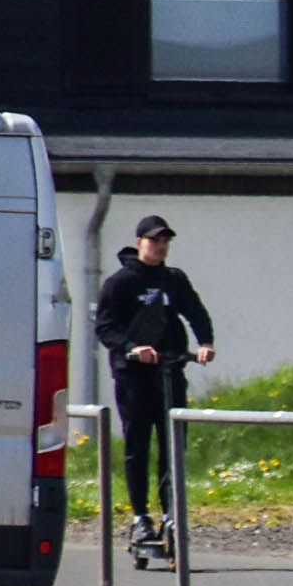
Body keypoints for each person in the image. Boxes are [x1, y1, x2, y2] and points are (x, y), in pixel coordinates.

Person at [94, 215, 216, 543]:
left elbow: (195, 312)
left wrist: (205, 343)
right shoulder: (120, 283)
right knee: (137, 445)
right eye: (154, 241)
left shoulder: (173, 279)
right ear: (140, 243)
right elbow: (105, 327)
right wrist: (133, 348)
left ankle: (170, 513)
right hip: (134, 376)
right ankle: (140, 517)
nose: (160, 247)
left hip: (170, 371)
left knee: (172, 445)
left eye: (164, 242)